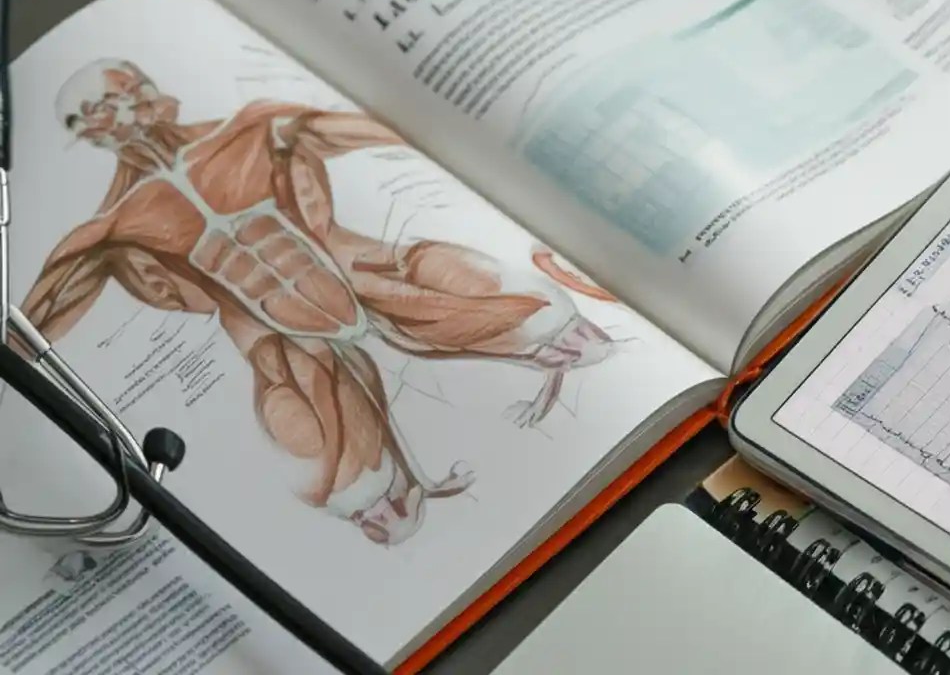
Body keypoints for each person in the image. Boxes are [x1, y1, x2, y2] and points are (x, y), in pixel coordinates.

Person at [21, 58, 617, 545]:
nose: (116, 117)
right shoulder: (110, 227)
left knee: (499, 302)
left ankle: (545, 331)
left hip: (358, 269)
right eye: (92, 115)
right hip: (275, 335)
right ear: (88, 135)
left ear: (146, 90)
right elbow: (29, 322)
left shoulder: (256, 127)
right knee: (330, 451)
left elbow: (391, 133)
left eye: (117, 98)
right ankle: (369, 496)